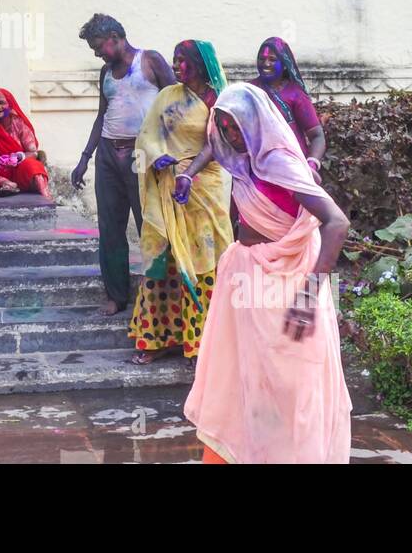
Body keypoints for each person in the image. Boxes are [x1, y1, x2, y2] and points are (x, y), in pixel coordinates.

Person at [174, 83, 352, 464]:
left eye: (236, 126)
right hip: (247, 283)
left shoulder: (279, 163)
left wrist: (309, 294)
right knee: (244, 382)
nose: (230, 134)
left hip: (285, 289)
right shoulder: (242, 164)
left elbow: (336, 223)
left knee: (288, 385)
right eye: (223, 127)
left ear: (255, 123)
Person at [129, 41, 233, 364]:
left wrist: (189, 174)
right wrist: (158, 157)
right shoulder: (167, 96)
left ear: (200, 65)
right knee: (162, 258)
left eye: (182, 61)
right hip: (166, 188)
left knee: (203, 259)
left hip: (204, 189)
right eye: (174, 60)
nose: (176, 66)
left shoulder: (219, 100)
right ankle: (157, 339)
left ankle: (201, 342)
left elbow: (218, 143)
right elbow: (146, 135)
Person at [70, 14, 175, 315]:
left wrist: (170, 150)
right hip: (107, 154)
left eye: (98, 46)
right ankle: (116, 295)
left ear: (116, 37)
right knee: (110, 227)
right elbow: (101, 116)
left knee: (150, 225)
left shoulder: (150, 61)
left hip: (141, 155)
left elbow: (177, 104)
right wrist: (84, 157)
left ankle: (157, 294)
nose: (96, 53)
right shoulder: (105, 71)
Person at [250, 36, 326, 178]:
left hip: (293, 171)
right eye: (261, 59)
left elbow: (317, 136)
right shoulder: (248, 90)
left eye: (272, 59)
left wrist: (311, 166)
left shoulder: (295, 94)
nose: (265, 63)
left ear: (284, 64)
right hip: (256, 173)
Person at [0, 87, 52, 200]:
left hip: (18, 172)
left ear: (10, 104)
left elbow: (33, 152)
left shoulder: (19, 124)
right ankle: (5, 184)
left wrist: (19, 157)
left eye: (2, 103)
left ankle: (47, 199)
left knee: (34, 166)